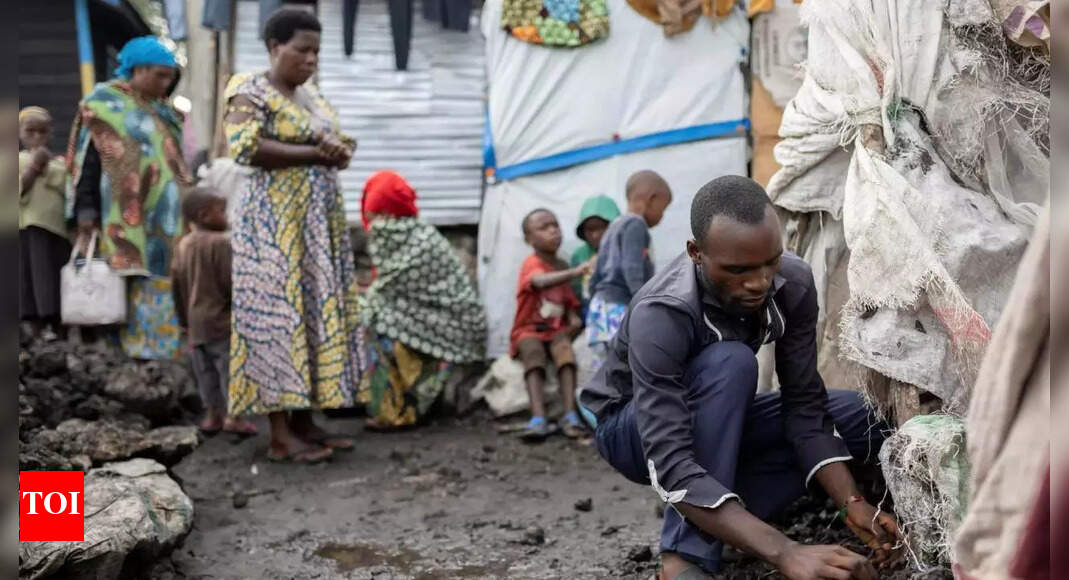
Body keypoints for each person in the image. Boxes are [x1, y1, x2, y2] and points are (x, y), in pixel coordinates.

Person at [580, 176, 903, 580]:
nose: (759, 282)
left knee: (861, 415)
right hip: (634, 429)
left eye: (770, 262)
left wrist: (850, 500)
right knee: (731, 363)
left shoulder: (793, 283)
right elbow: (672, 459)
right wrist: (786, 552)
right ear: (696, 253)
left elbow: (804, 405)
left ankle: (737, 521)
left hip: (713, 412)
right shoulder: (663, 313)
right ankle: (687, 554)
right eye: (738, 270)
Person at [224, 8, 364, 464]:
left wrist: (337, 151)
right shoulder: (250, 88)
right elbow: (245, 147)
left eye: (316, 52)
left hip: (317, 231)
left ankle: (306, 424)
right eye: (302, 50)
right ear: (273, 47)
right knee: (277, 320)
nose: (310, 60)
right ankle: (281, 436)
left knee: (310, 318)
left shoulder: (314, 99)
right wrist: (315, 153)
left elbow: (339, 146)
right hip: (273, 230)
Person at [67, 36, 192, 358]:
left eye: (170, 77)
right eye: (159, 75)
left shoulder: (164, 112)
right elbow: (87, 161)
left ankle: (158, 359)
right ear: (137, 70)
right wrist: (85, 212)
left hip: (165, 223)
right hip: (120, 218)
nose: (167, 84)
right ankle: (122, 361)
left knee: (161, 280)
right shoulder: (103, 103)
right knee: (122, 280)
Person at [357, 171, 487, 429]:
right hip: (443, 320)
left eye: (380, 214)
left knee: (369, 323)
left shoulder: (406, 238)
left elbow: (384, 295)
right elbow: (392, 290)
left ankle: (397, 410)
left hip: (453, 325)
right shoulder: (417, 233)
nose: (375, 223)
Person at [171, 188, 258, 436]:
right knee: (229, 370)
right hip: (221, 321)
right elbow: (231, 284)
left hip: (195, 324)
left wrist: (183, 321)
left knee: (204, 373)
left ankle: (212, 415)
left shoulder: (182, 245)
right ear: (205, 215)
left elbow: (176, 286)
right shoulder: (221, 244)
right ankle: (234, 416)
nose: (226, 216)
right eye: (221, 211)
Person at [511, 208, 589, 441]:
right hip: (529, 330)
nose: (553, 231)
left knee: (565, 355)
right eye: (544, 228)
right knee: (533, 355)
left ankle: (569, 414)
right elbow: (538, 282)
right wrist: (574, 272)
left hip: (555, 331)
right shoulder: (532, 264)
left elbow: (570, 307)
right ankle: (538, 418)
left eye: (555, 225)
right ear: (529, 239)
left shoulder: (561, 265)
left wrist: (574, 321)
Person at [586, 170, 672, 363]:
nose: (662, 216)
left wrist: (595, 302)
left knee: (605, 371)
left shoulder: (615, 225)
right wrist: (645, 303)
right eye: (663, 209)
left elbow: (597, 272)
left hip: (601, 308)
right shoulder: (636, 225)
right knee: (628, 365)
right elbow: (632, 269)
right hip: (619, 308)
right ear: (651, 200)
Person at [19, 106, 71, 339]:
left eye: (42, 132)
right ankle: (36, 327)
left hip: (57, 231)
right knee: (32, 279)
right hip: (27, 230)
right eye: (31, 131)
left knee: (56, 278)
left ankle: (59, 327)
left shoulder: (61, 164)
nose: (37, 138)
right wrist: (34, 166)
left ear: (51, 134)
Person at [569, 194, 621, 322]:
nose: (596, 235)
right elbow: (576, 293)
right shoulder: (580, 255)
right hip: (592, 315)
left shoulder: (626, 250)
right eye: (590, 229)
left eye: (602, 227)